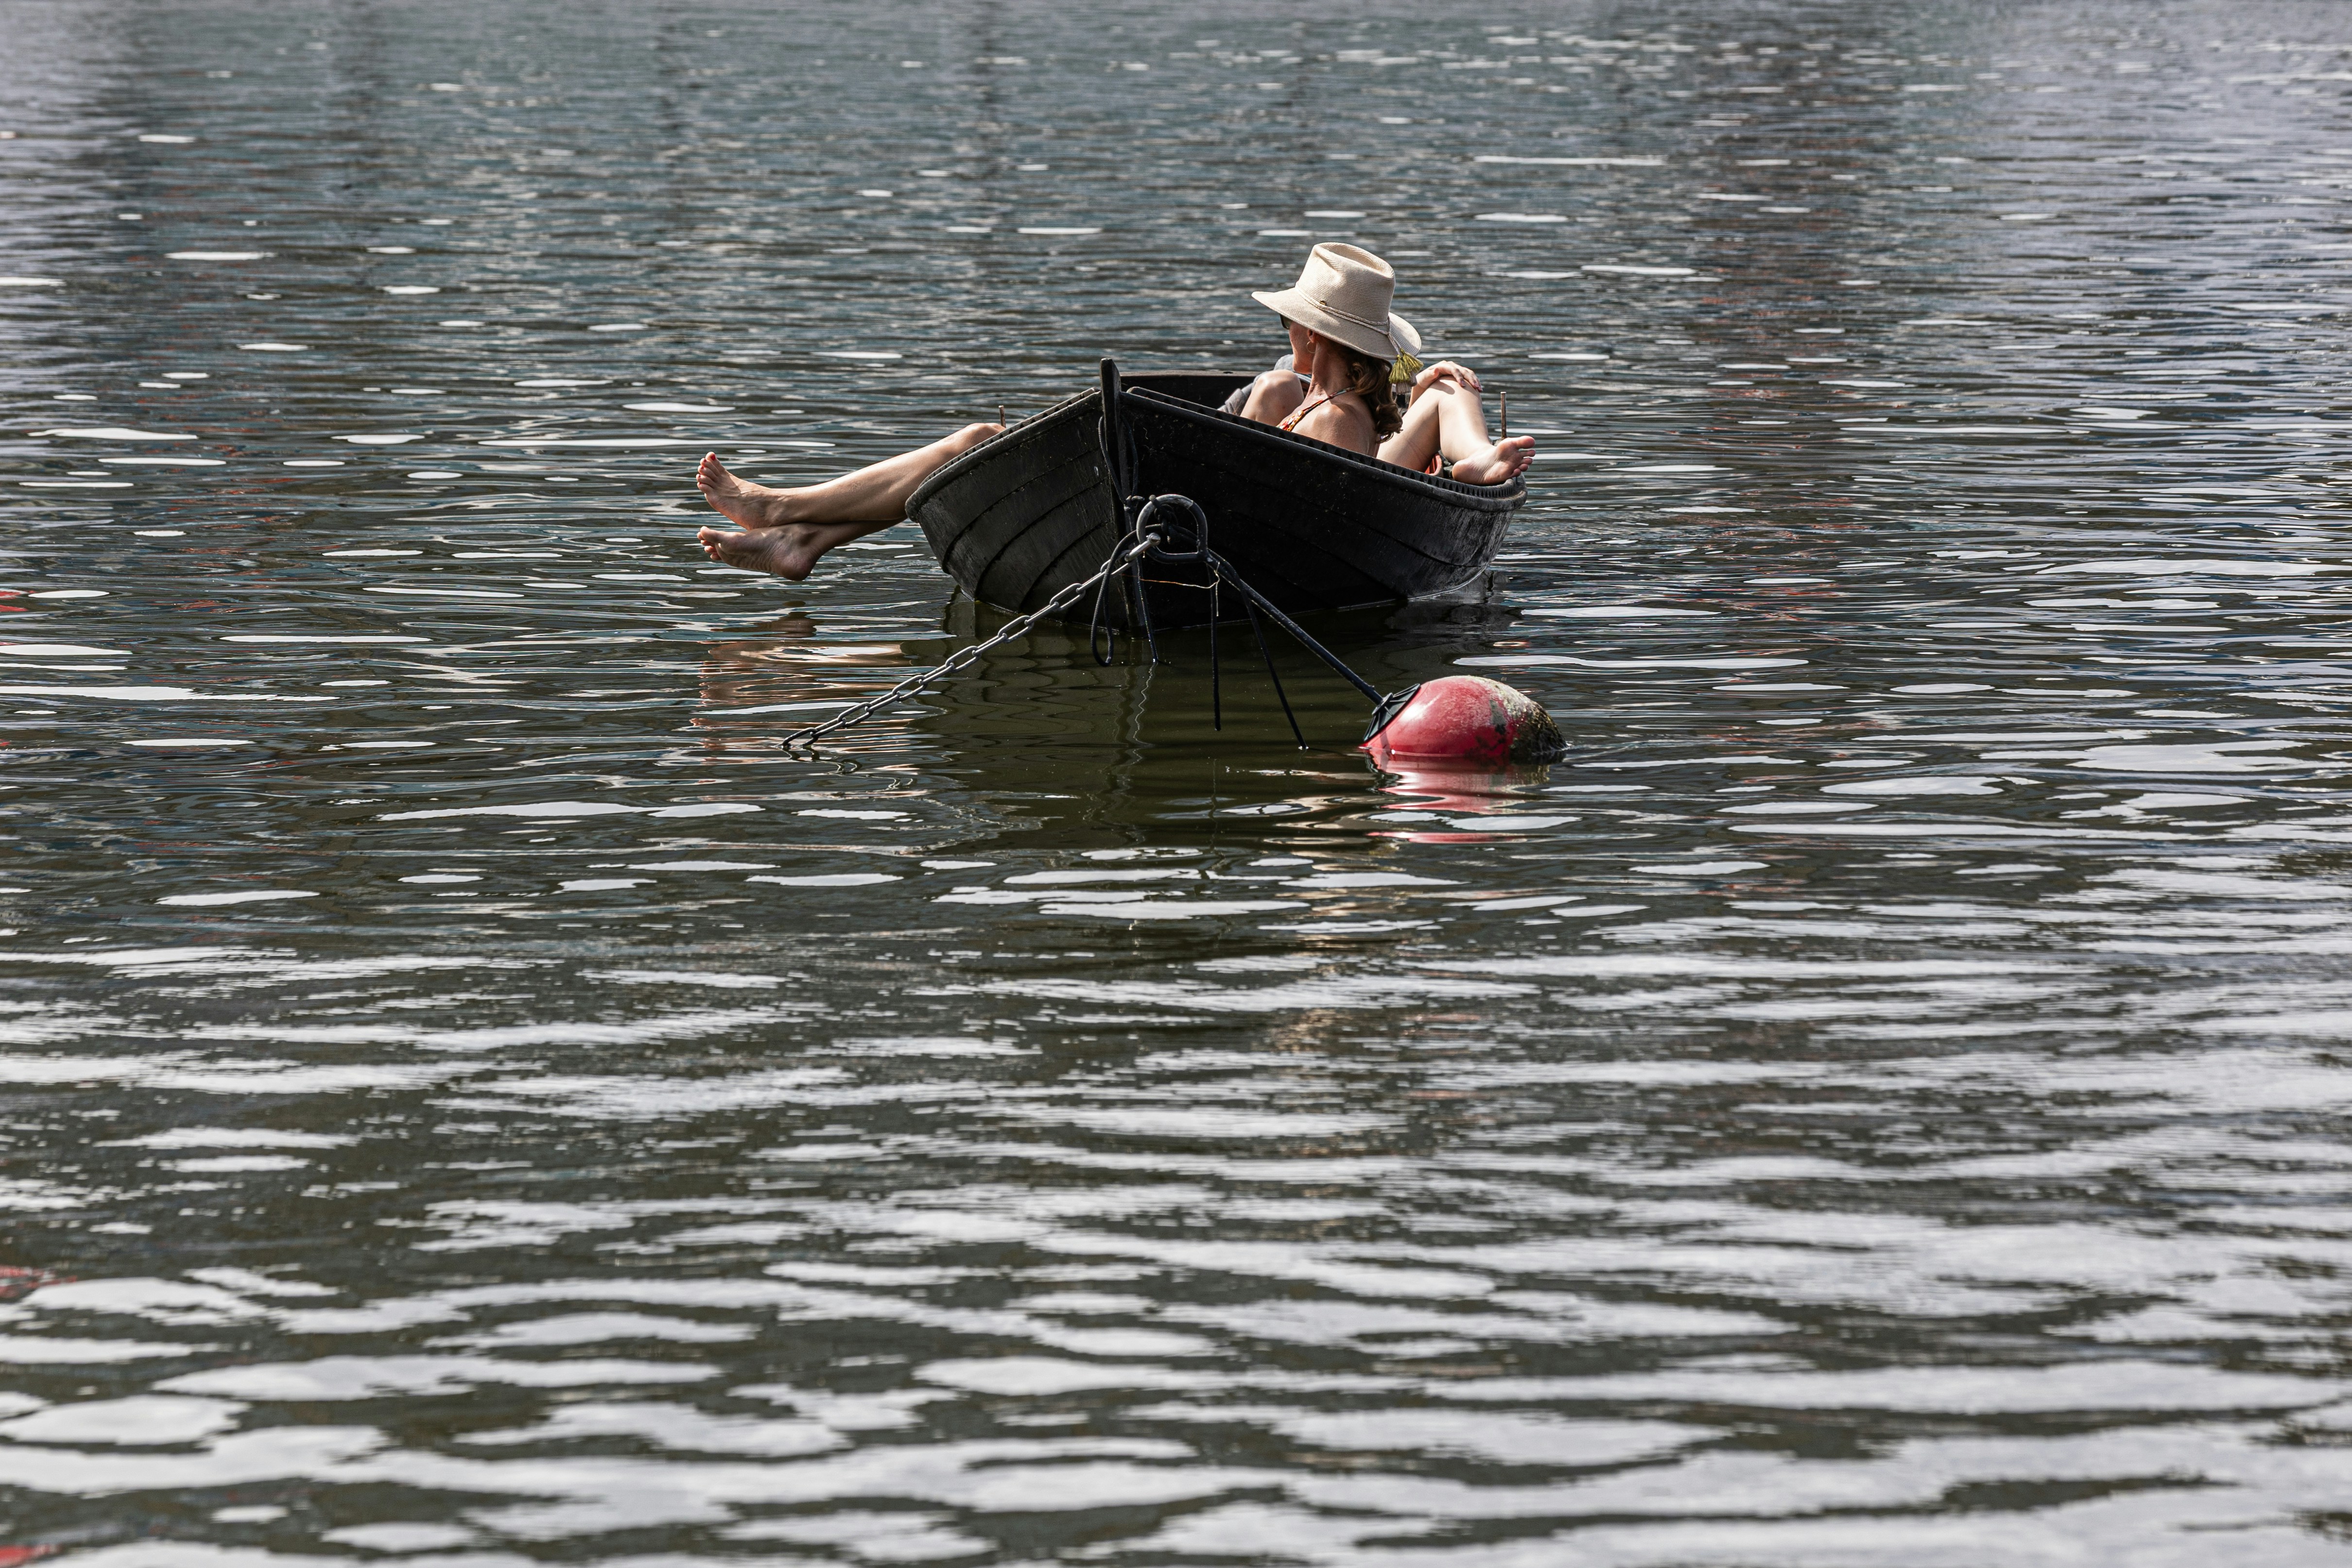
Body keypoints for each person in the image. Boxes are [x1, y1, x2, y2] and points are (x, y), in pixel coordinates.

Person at [690, 242, 1534, 581]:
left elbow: (1438, 410)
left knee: (980, 439)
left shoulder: (1357, 426)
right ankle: (807, 531)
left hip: (1217, 532)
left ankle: (792, 515)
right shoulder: (1294, 392)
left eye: (1293, 322)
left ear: (1312, 332)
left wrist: (1468, 454)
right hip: (1184, 519)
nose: (1281, 332)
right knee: (981, 440)